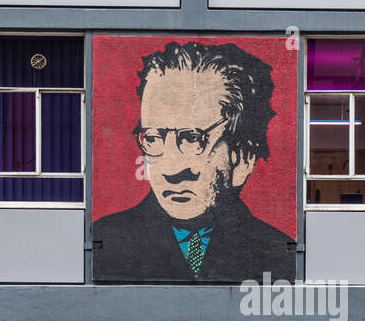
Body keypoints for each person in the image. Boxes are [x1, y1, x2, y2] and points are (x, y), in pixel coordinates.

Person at [93, 41, 295, 283]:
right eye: (154, 138)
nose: (170, 169)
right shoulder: (106, 240)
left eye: (191, 138)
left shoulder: (277, 254)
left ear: (242, 157)